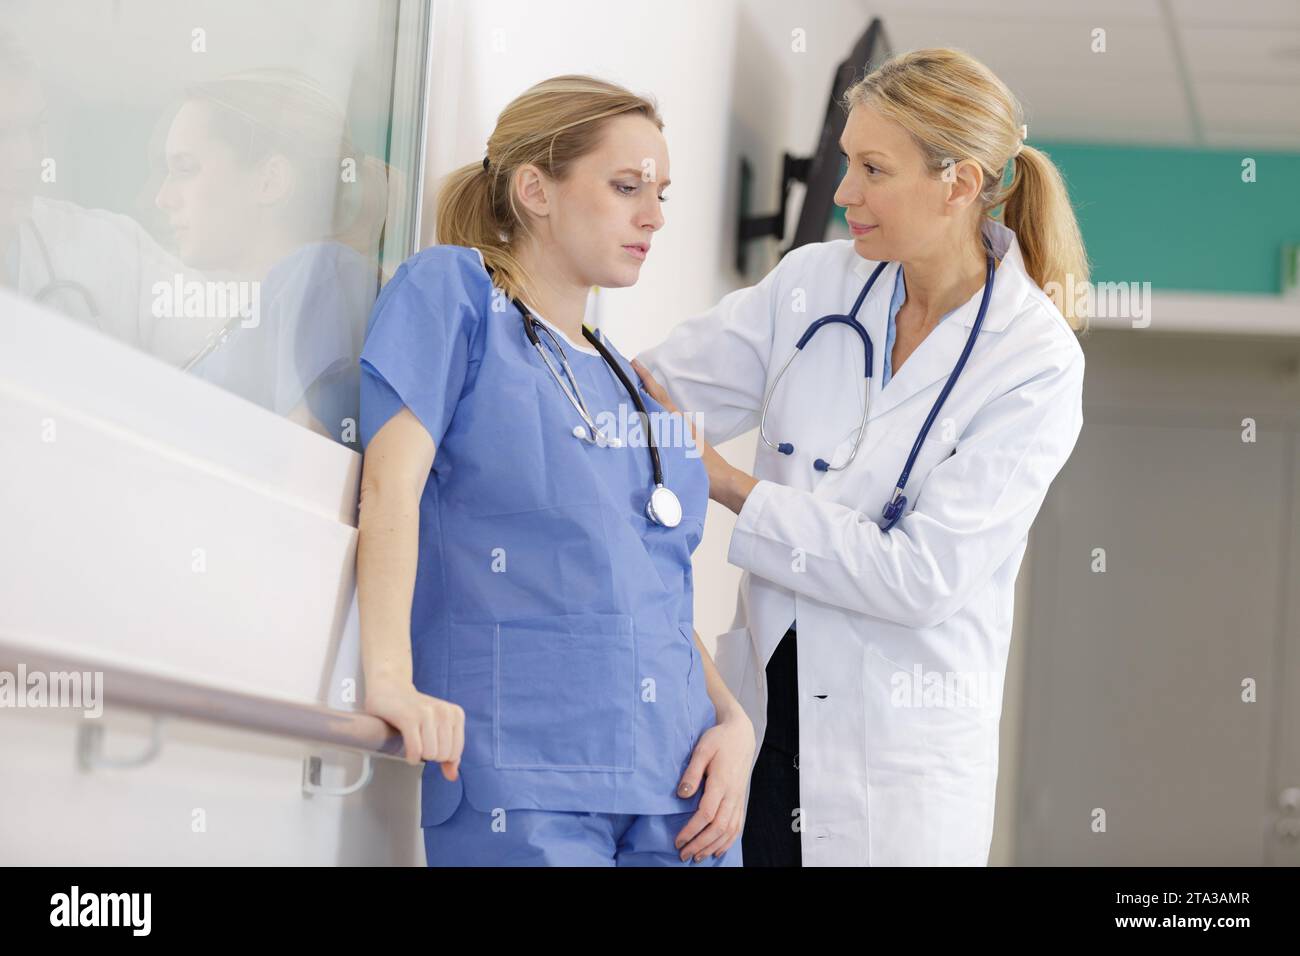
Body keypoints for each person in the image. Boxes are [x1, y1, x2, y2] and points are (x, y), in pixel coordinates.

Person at [634, 47, 1089, 866]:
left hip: (895, 772)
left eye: (873, 168)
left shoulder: (1034, 360)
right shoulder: (815, 283)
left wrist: (734, 487)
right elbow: (653, 393)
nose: (844, 193)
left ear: (958, 183)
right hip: (759, 729)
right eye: (848, 162)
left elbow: (921, 578)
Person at [355, 75, 755, 867]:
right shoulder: (456, 296)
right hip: (525, 776)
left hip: (683, 787)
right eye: (626, 186)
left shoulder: (634, 388)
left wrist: (733, 721)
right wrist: (390, 677)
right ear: (535, 189)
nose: (655, 216)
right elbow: (389, 487)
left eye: (661, 193)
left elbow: (648, 587)